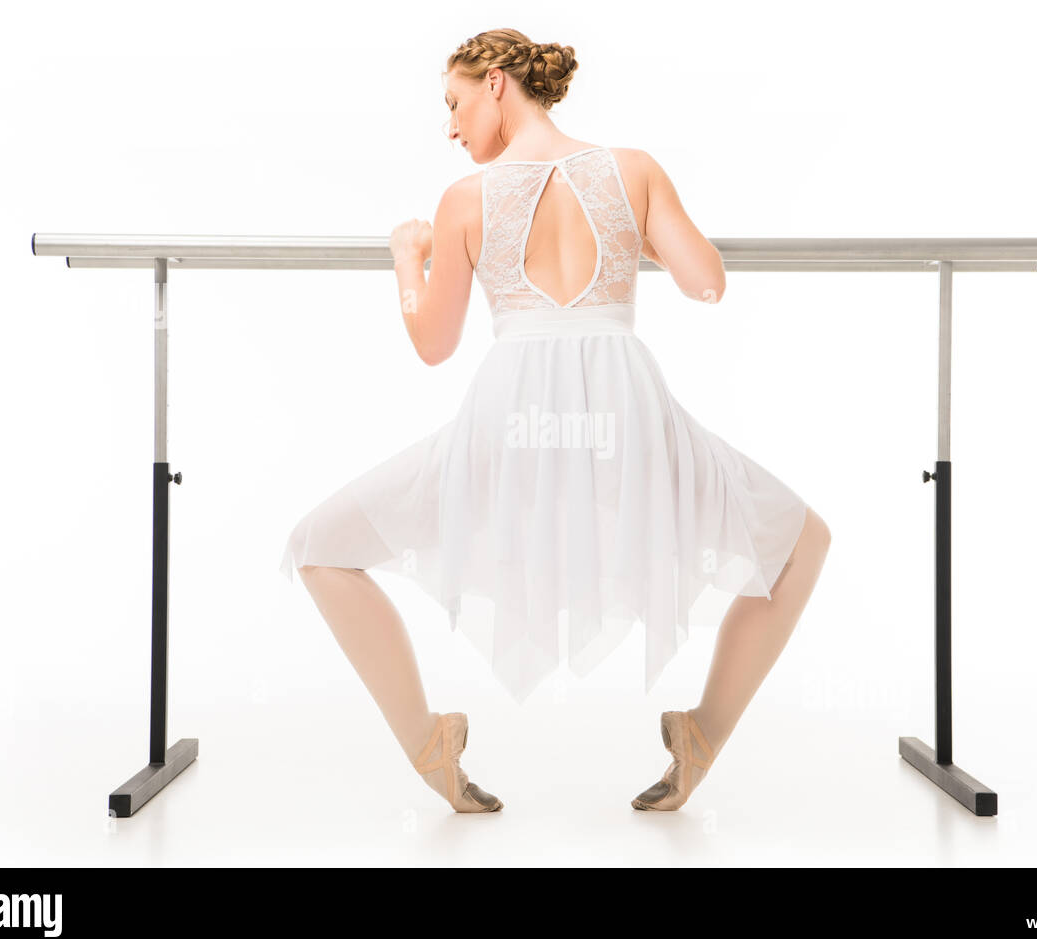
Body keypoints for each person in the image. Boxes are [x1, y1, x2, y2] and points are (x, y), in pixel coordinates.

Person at [280, 28, 832, 814]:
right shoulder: (633, 171)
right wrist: (637, 229)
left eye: (455, 102)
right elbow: (706, 283)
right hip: (628, 419)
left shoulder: (465, 202)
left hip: (511, 425)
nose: (450, 125)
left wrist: (409, 257)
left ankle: (429, 743)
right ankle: (701, 735)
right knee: (801, 542)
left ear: (497, 83)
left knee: (320, 547)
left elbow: (432, 344)